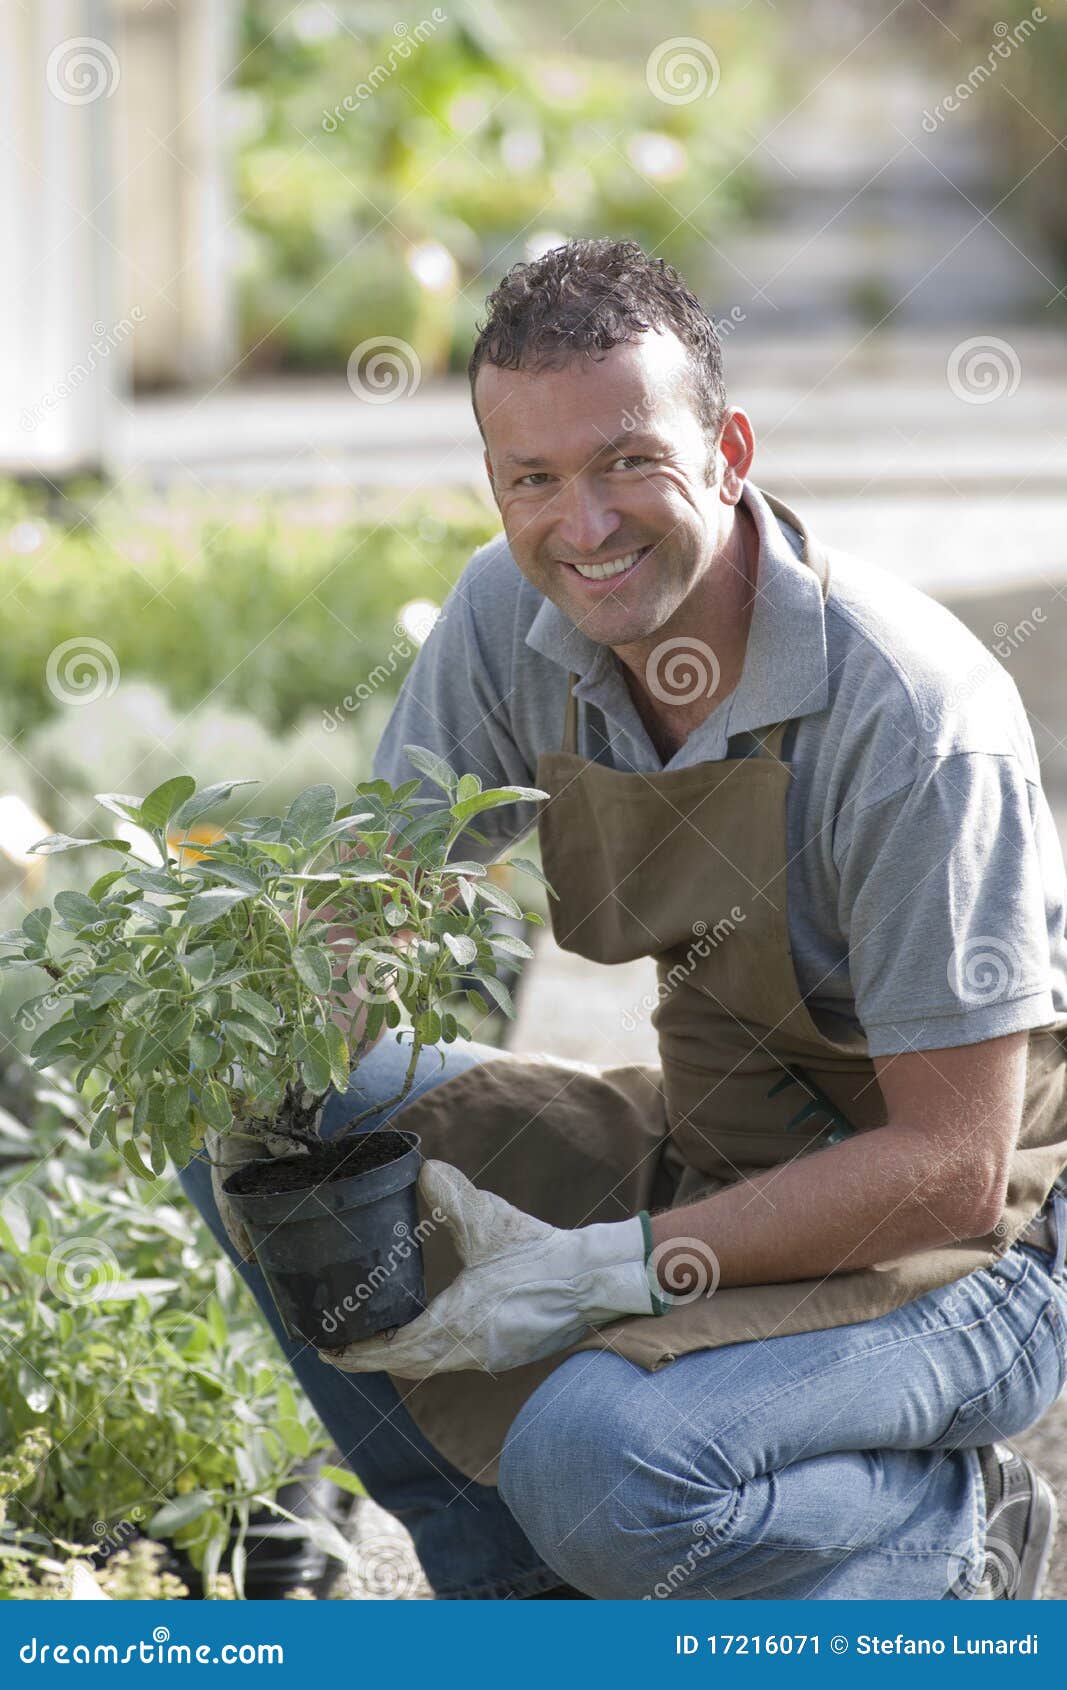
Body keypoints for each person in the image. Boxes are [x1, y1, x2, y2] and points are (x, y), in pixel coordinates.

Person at [182, 238, 1067, 1600]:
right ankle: (513, 1593)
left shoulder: (912, 719)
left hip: (968, 1259)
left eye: (626, 463)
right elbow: (376, 904)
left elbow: (951, 1166)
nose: (581, 524)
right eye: (533, 479)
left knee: (596, 1459)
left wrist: (604, 1269)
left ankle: (949, 1538)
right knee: (258, 1111)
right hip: (708, 1150)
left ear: (727, 449)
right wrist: (256, 1030)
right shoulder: (508, 618)